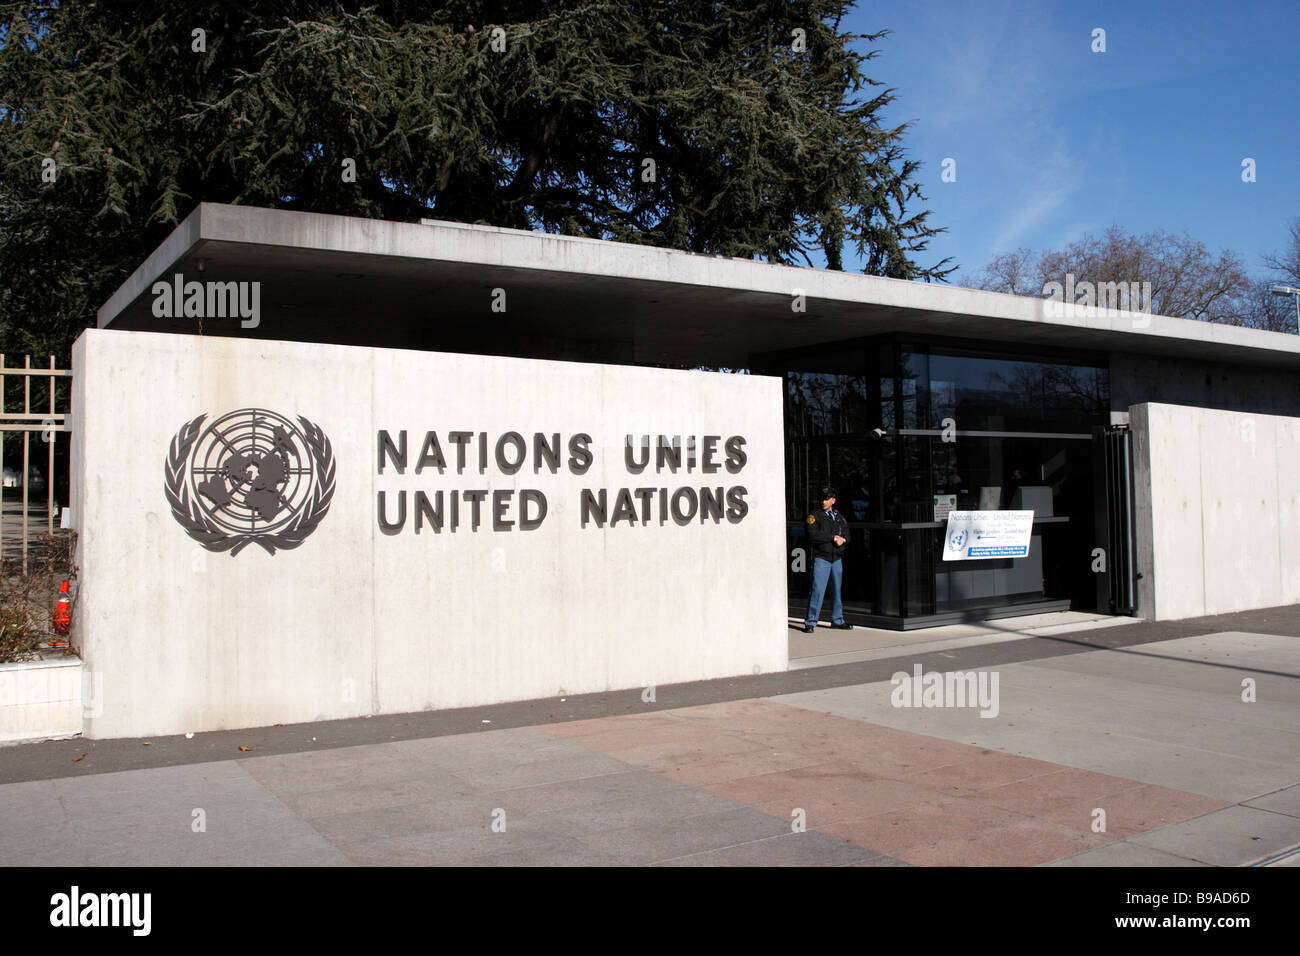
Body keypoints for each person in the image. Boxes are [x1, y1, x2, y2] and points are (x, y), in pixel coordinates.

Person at [802, 486, 852, 633]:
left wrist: (843, 540)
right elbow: (812, 535)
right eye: (822, 499)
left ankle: (838, 620)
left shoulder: (838, 516)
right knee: (818, 590)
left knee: (836, 590)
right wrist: (832, 537)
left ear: (833, 500)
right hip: (822, 558)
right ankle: (811, 621)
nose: (823, 501)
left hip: (836, 558)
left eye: (826, 499)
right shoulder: (814, 515)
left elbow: (847, 534)